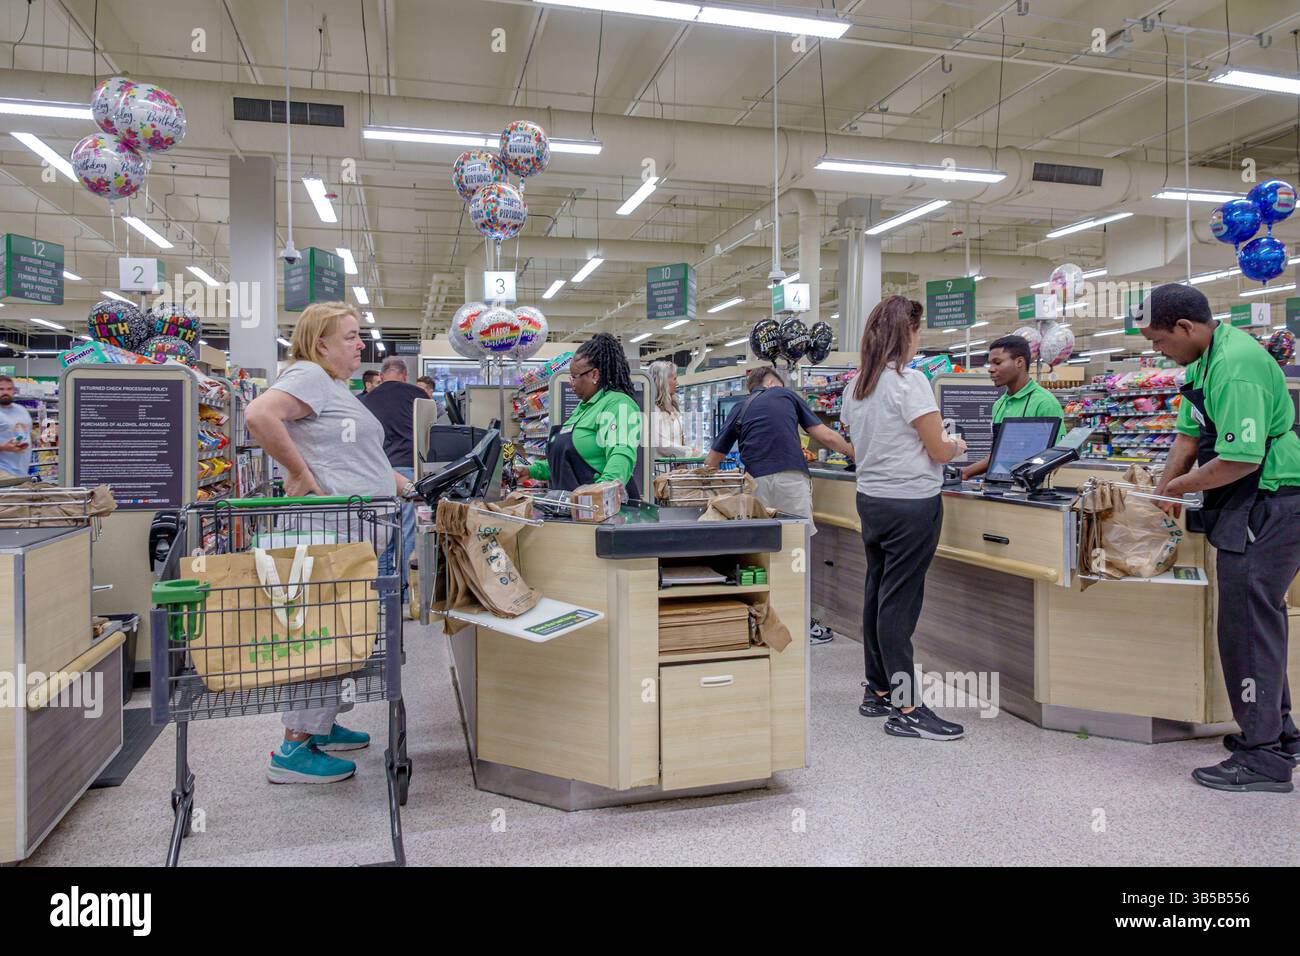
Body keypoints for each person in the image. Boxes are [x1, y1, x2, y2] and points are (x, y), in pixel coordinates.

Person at [245, 302, 417, 785]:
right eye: (350, 336)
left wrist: (400, 484)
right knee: (323, 636)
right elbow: (259, 415)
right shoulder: (309, 375)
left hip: (353, 536)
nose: (361, 344)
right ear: (320, 343)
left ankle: (319, 726)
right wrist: (300, 474)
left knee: (342, 634)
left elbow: (352, 455)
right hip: (330, 536)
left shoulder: (334, 386)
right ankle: (293, 749)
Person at [1140, 284, 1300, 792]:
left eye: (1160, 342)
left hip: (1269, 500)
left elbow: (1240, 458)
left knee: (1247, 628)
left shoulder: (1236, 364)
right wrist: (1164, 488)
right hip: (1248, 502)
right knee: (1255, 622)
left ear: (1186, 328)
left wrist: (1181, 490)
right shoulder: (1201, 366)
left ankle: (1263, 760)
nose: (1156, 352)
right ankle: (1280, 734)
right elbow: (1188, 438)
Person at [838, 296, 968, 740]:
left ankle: (877, 690)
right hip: (912, 502)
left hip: (871, 500)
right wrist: (956, 447)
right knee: (899, 605)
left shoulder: (856, 386)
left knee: (877, 593)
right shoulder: (908, 382)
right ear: (907, 333)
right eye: (917, 332)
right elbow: (936, 449)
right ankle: (907, 705)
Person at [704, 363, 854, 644]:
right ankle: (802, 622)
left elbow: (712, 459)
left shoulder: (742, 407)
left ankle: (764, 620)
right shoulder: (786, 396)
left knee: (762, 555)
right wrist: (855, 454)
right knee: (797, 551)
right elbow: (826, 436)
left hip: (756, 485)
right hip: (790, 480)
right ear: (774, 383)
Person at [519, 333, 642, 496]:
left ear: (595, 375)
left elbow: (621, 454)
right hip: (574, 510)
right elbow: (566, 461)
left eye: (574, 377)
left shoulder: (618, 404)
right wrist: (531, 470)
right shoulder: (583, 407)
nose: (571, 382)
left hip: (600, 512)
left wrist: (601, 492)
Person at [359, 355, 426, 600]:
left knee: (383, 533)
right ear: (405, 375)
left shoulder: (366, 399)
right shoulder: (417, 395)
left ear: (382, 375)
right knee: (408, 533)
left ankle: (384, 593)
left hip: (379, 471)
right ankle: (407, 595)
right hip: (409, 469)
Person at [961, 334, 1065, 480]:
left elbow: (1056, 456)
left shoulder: (1044, 402)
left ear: (1019, 362)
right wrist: (964, 473)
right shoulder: (999, 404)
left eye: (997, 363)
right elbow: (999, 455)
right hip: (998, 486)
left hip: (1028, 492)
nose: (990, 369)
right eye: (990, 364)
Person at [646, 360, 694, 459]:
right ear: (663, 381)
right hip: (660, 469)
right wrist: (688, 452)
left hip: (673, 468)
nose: (677, 382)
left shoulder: (673, 407)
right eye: (674, 378)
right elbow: (661, 444)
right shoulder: (652, 410)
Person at [0, 376, 33, 478]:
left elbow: (27, 433)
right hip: (3, 470)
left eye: (9, 389)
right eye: (1, 389)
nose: (5, 392)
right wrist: (3, 447)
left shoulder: (22, 410)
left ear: (14, 391)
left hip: (21, 470)